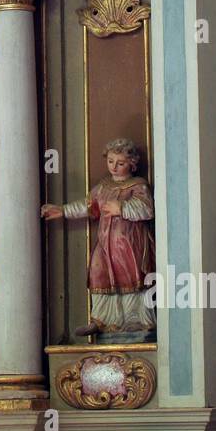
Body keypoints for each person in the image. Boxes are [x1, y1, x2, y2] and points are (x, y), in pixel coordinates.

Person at [42, 137, 155, 339]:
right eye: (111, 161)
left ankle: (136, 320)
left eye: (120, 163)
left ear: (132, 164)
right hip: (106, 244)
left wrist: (121, 207)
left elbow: (147, 209)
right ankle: (100, 319)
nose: (114, 167)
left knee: (130, 278)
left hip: (129, 245)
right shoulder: (104, 186)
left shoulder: (137, 186)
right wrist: (63, 210)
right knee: (98, 272)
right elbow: (87, 205)